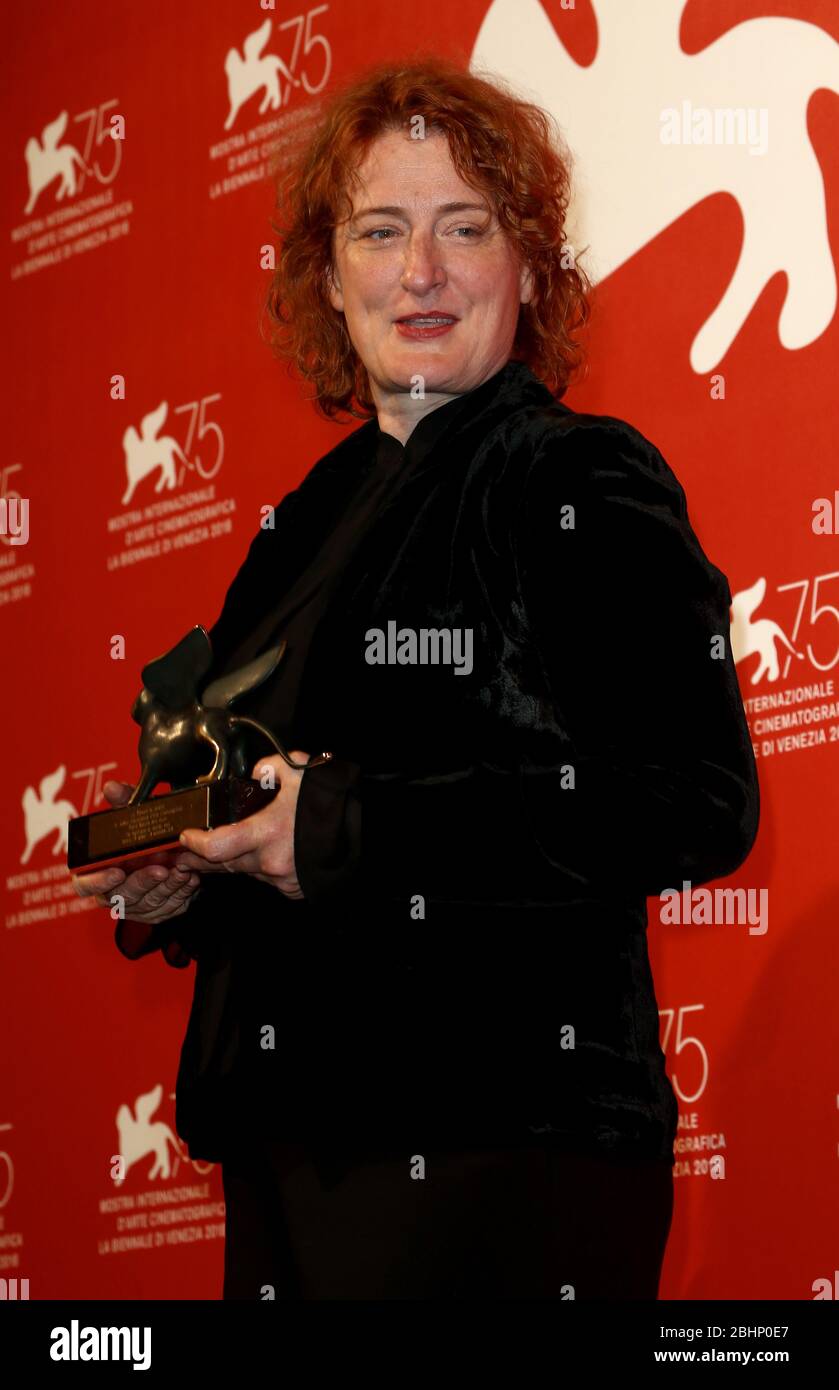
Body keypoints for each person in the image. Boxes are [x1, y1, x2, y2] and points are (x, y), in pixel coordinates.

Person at [73, 58, 760, 1300]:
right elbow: (262, 817)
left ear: (531, 269)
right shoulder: (302, 524)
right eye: (380, 232)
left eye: (464, 228)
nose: (420, 271)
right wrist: (178, 872)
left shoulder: (573, 477)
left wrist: (342, 824)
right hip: (291, 1151)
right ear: (328, 282)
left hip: (501, 1145)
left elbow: (690, 797)